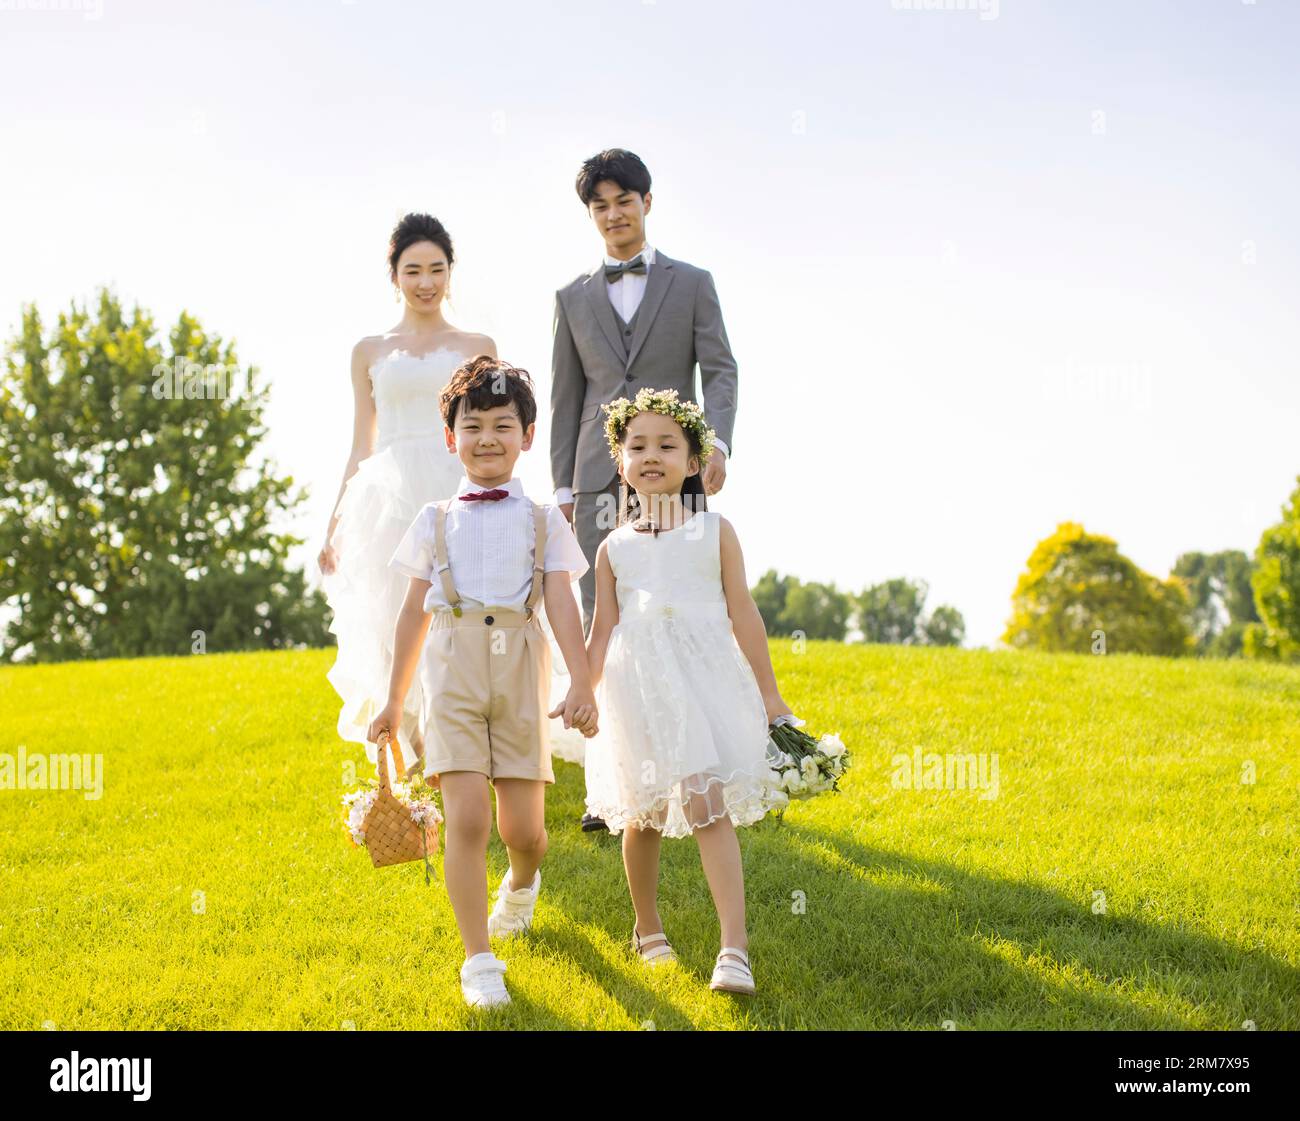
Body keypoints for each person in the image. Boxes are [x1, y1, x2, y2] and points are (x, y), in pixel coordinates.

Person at [366, 356, 596, 1010]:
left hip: (521, 669)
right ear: (450, 438)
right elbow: (412, 613)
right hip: (452, 674)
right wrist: (391, 699)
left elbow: (561, 602)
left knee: (524, 830)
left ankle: (521, 886)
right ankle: (479, 959)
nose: (487, 438)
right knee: (466, 818)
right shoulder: (434, 519)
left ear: (527, 435)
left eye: (503, 425)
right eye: (473, 426)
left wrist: (581, 681)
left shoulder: (545, 519)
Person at [549, 147, 740, 831]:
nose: (612, 214)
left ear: (647, 203)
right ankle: (616, 784)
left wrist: (714, 441)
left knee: (687, 607)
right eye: (599, 205)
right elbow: (569, 396)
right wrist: (564, 488)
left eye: (623, 200)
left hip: (678, 468)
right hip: (599, 479)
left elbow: (719, 370)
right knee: (608, 612)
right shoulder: (570, 298)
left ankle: (706, 767)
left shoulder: (692, 284)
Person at [582, 387, 793, 996]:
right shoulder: (612, 548)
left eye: (667, 445)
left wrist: (770, 695)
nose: (651, 455)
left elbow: (744, 614)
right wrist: (584, 690)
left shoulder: (715, 531)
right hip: (637, 688)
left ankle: (735, 946)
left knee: (706, 802)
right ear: (619, 461)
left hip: (700, 683)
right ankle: (647, 929)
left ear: (695, 461)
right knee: (642, 812)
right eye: (636, 445)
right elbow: (603, 631)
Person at [319, 213, 497, 781]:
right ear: (393, 275)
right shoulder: (369, 351)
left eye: (436, 269)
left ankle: (471, 742)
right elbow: (359, 443)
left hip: (459, 486)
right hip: (388, 500)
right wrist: (333, 527)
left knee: (467, 613)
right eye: (413, 269)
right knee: (397, 615)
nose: (426, 281)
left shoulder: (478, 344)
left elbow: (494, 431)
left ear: (451, 272)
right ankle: (417, 752)